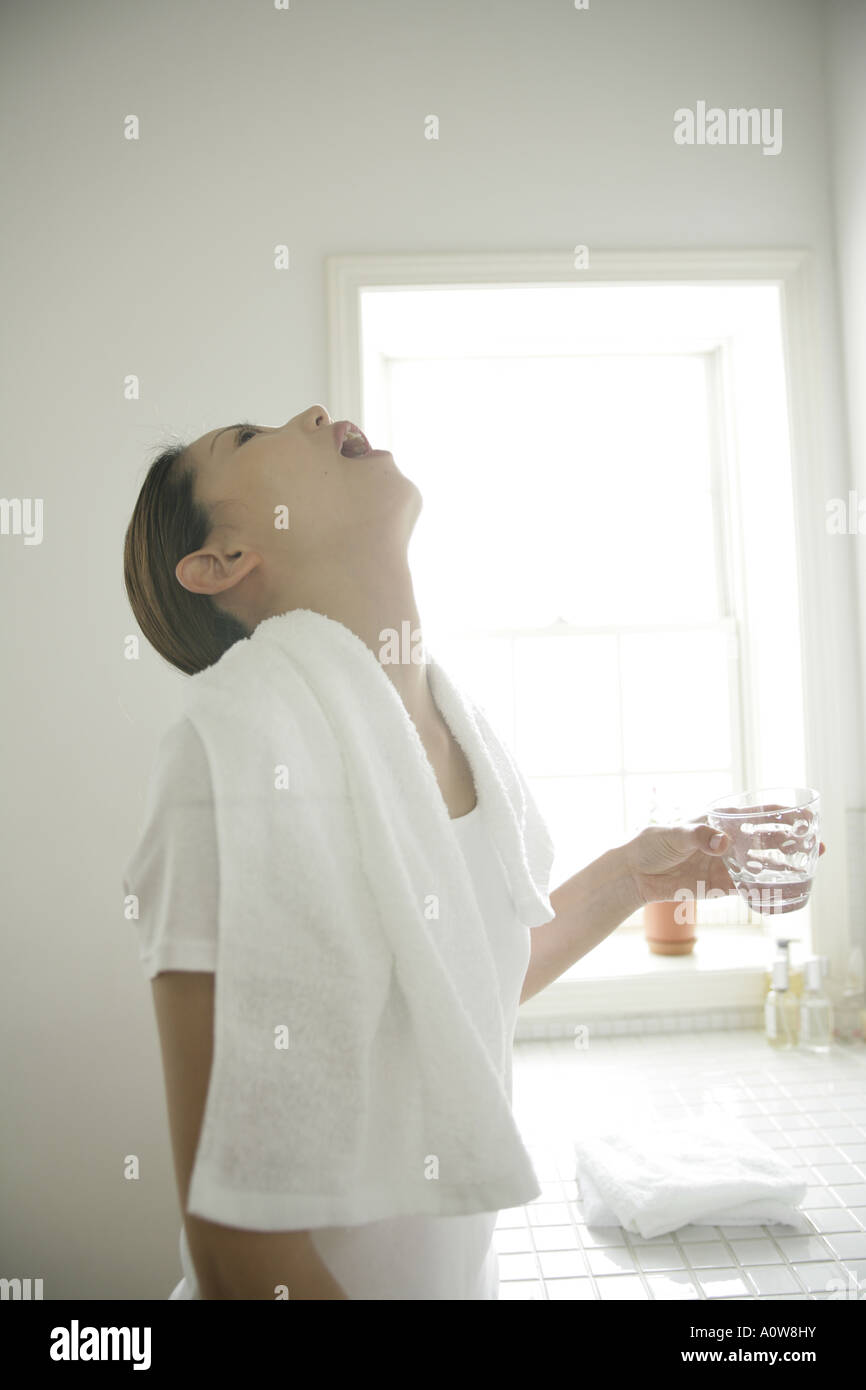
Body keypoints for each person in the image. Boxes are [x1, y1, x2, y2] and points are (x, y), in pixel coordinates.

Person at [121, 404, 771, 1300]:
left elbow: (455, 983)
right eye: (245, 437)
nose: (313, 411)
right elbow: (240, 1257)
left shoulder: (458, 735)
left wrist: (631, 874)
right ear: (225, 561)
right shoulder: (231, 750)